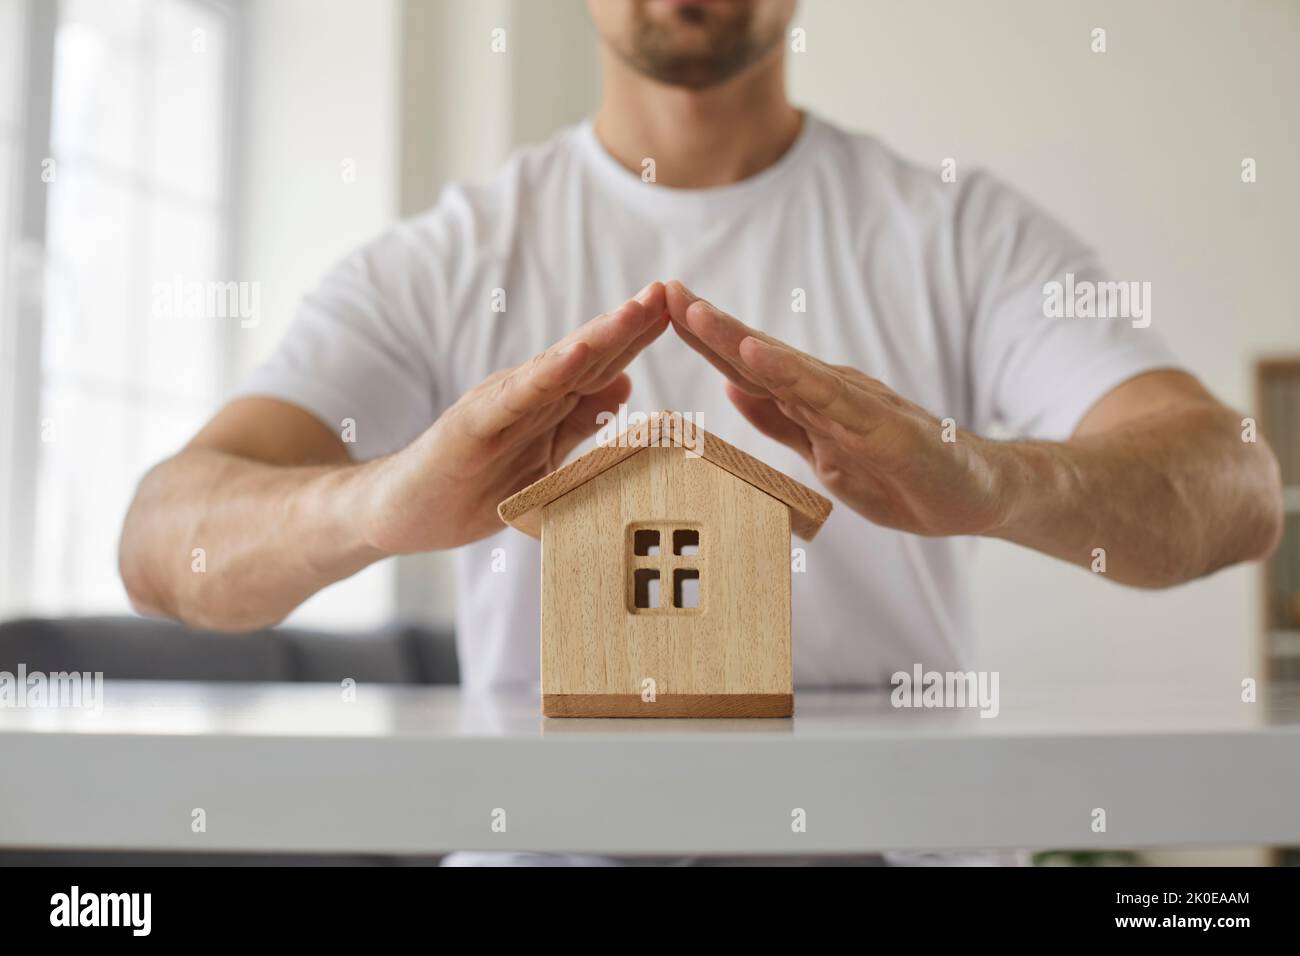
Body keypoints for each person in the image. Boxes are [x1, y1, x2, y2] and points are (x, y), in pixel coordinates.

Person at [119, 0, 1281, 863]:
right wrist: (373, 504)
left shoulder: (954, 231)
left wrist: (995, 480)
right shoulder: (445, 256)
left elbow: (1233, 484)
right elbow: (164, 538)